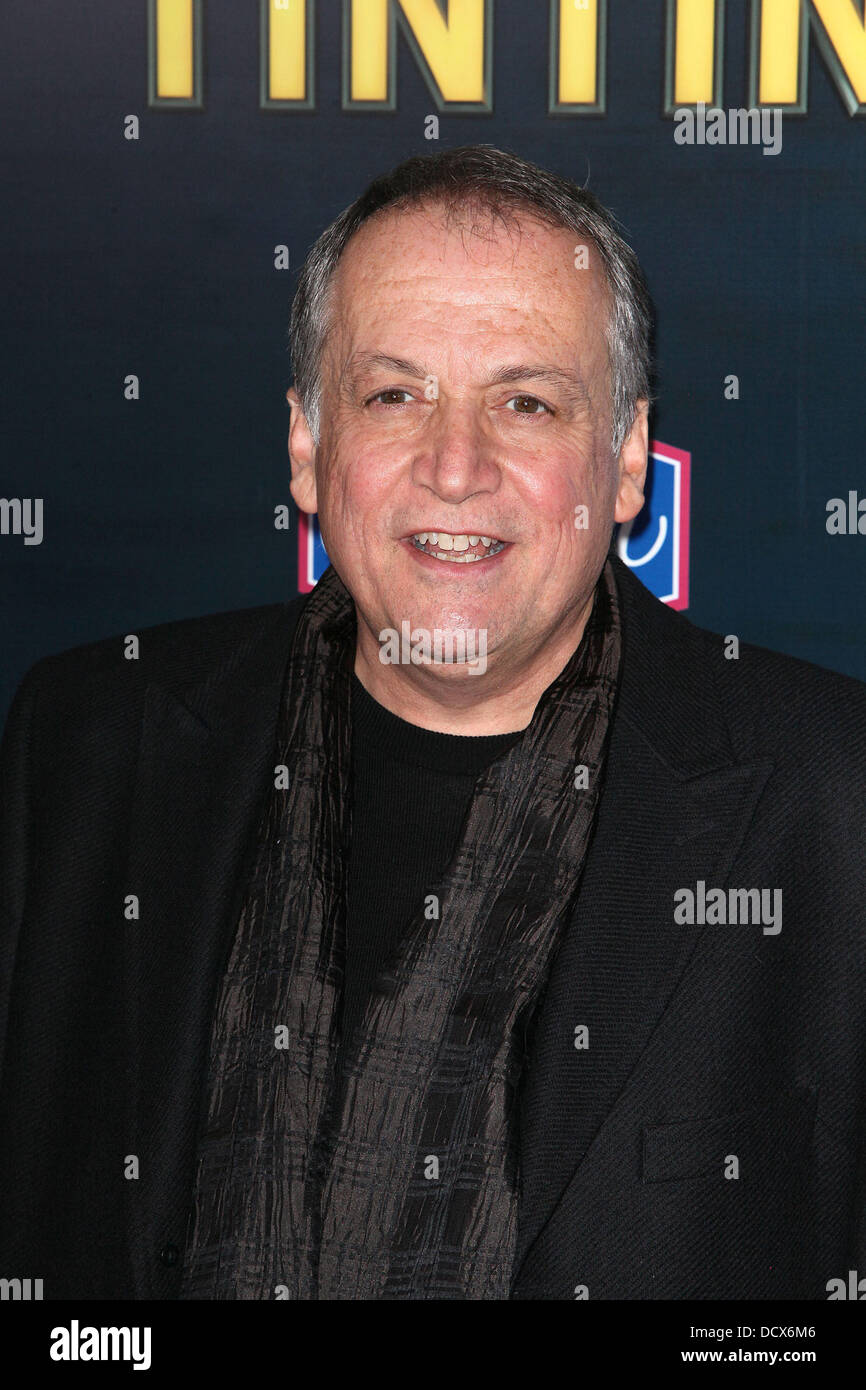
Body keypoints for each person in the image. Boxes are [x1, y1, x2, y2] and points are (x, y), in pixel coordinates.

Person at [1, 145, 864, 1301]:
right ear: (309, 446)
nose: (454, 468)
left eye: (524, 401)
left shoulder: (828, 799)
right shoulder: (88, 746)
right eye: (394, 393)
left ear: (621, 463)